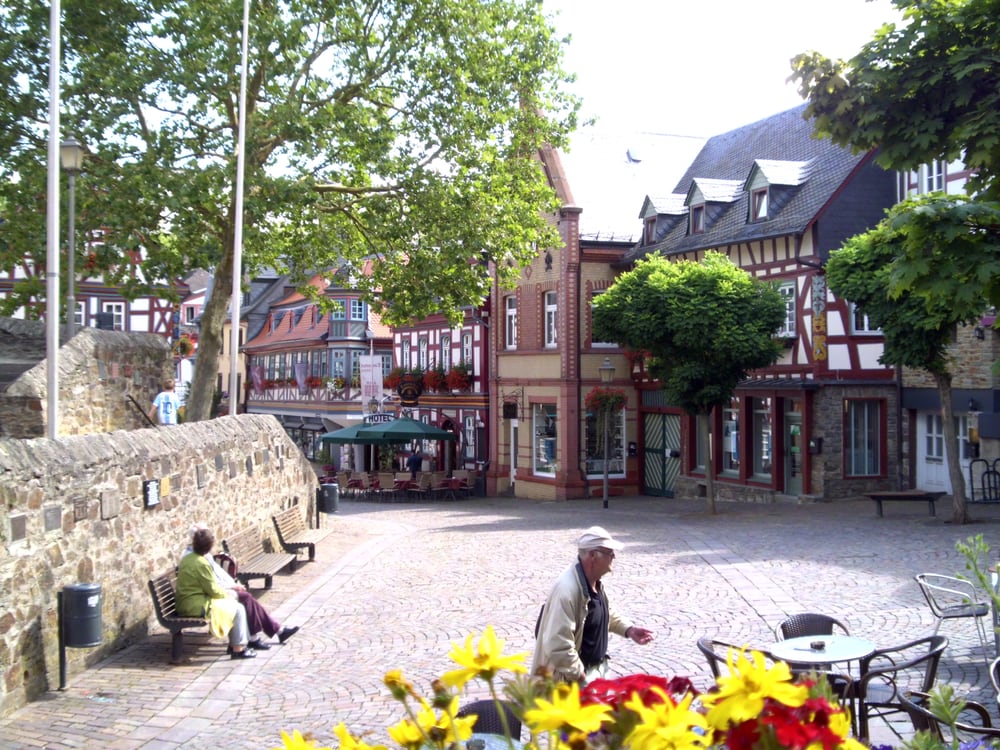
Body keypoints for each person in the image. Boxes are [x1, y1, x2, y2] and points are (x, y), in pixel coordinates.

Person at [531, 525, 654, 683]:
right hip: (574, 680)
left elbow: (601, 612)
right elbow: (558, 643)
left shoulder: (592, 581)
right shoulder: (567, 590)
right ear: (592, 556)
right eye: (609, 553)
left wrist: (629, 629)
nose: (614, 557)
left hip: (596, 671)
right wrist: (581, 677)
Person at [185, 524, 299, 650]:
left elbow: (219, 575)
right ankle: (260, 637)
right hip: (204, 597)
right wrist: (231, 590)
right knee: (244, 599)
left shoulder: (203, 555)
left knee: (245, 598)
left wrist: (234, 584)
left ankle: (272, 632)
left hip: (209, 592)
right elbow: (211, 584)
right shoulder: (195, 559)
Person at [176, 527, 256, 659]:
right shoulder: (201, 563)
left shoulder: (188, 558)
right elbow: (212, 589)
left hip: (186, 602)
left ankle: (237, 645)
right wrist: (229, 595)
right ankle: (238, 649)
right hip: (194, 606)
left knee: (233, 606)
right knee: (238, 609)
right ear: (209, 546)